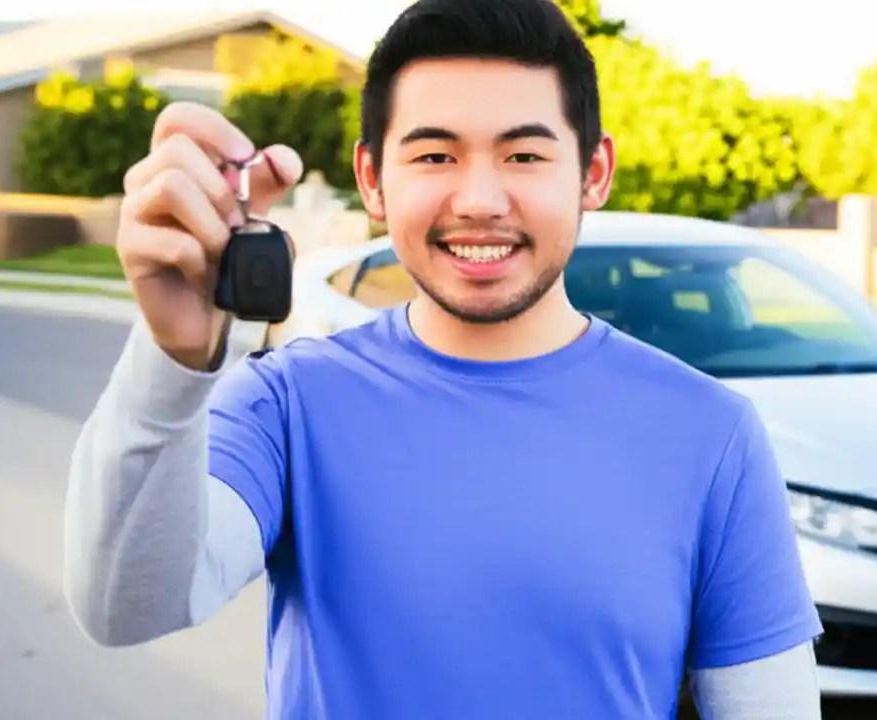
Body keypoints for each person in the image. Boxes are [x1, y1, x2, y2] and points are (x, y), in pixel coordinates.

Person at [62, 0, 824, 717]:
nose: (480, 199)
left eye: (524, 154)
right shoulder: (288, 404)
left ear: (592, 172)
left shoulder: (709, 433)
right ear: (373, 179)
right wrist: (173, 363)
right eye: (434, 155)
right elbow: (124, 606)